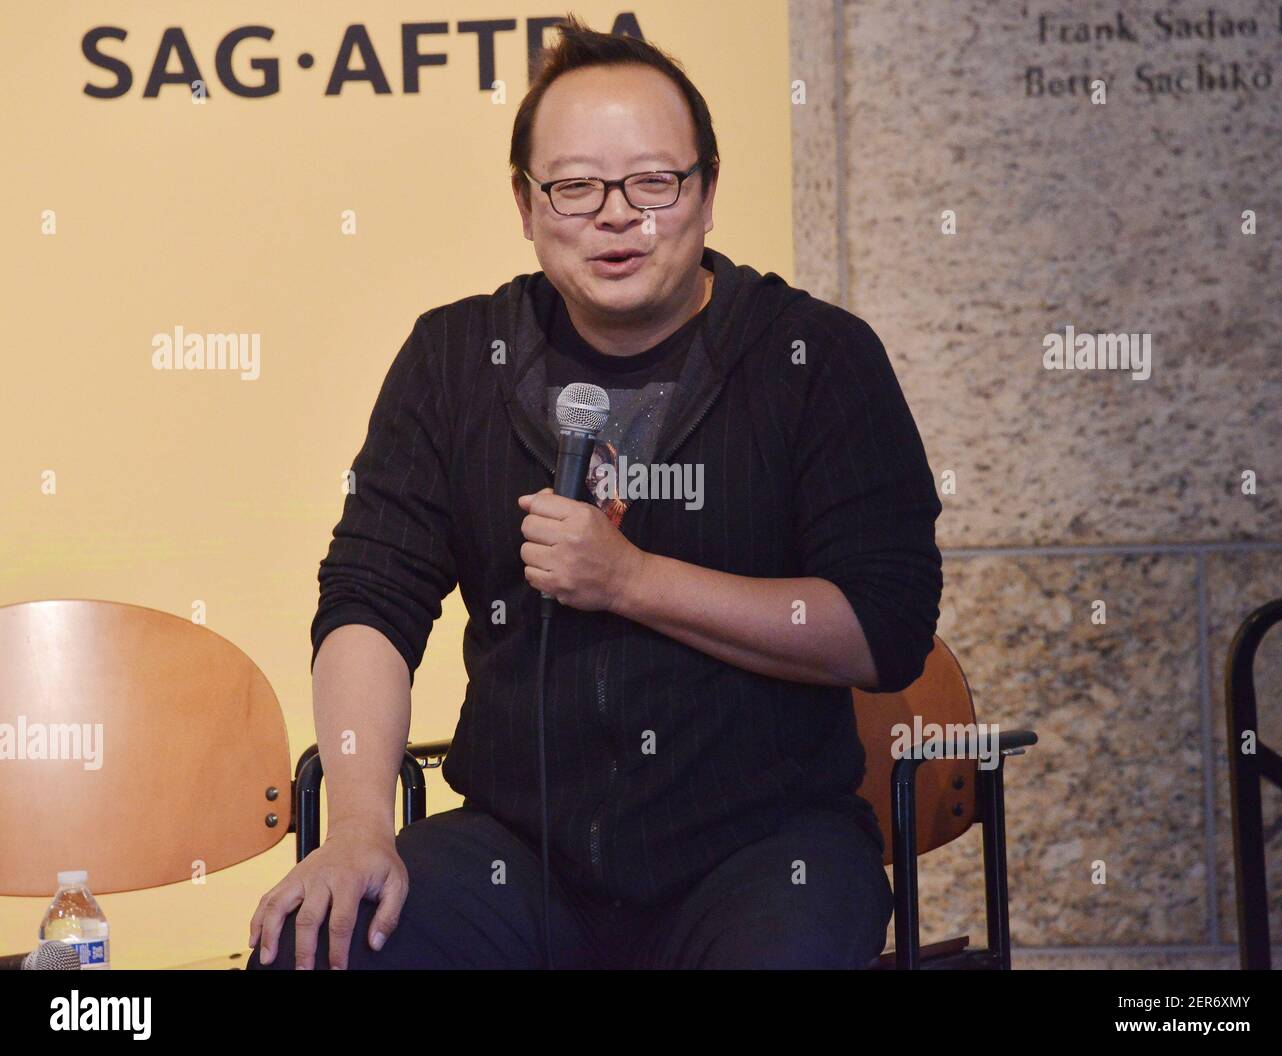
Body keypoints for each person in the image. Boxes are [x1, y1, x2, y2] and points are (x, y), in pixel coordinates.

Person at [247, 15, 941, 971]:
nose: (617, 215)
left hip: (765, 850)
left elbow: (884, 628)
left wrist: (631, 580)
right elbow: (370, 598)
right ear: (527, 206)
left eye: (654, 181)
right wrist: (361, 827)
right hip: (519, 857)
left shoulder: (814, 357)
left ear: (705, 193)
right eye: (574, 187)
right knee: (318, 946)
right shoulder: (455, 358)